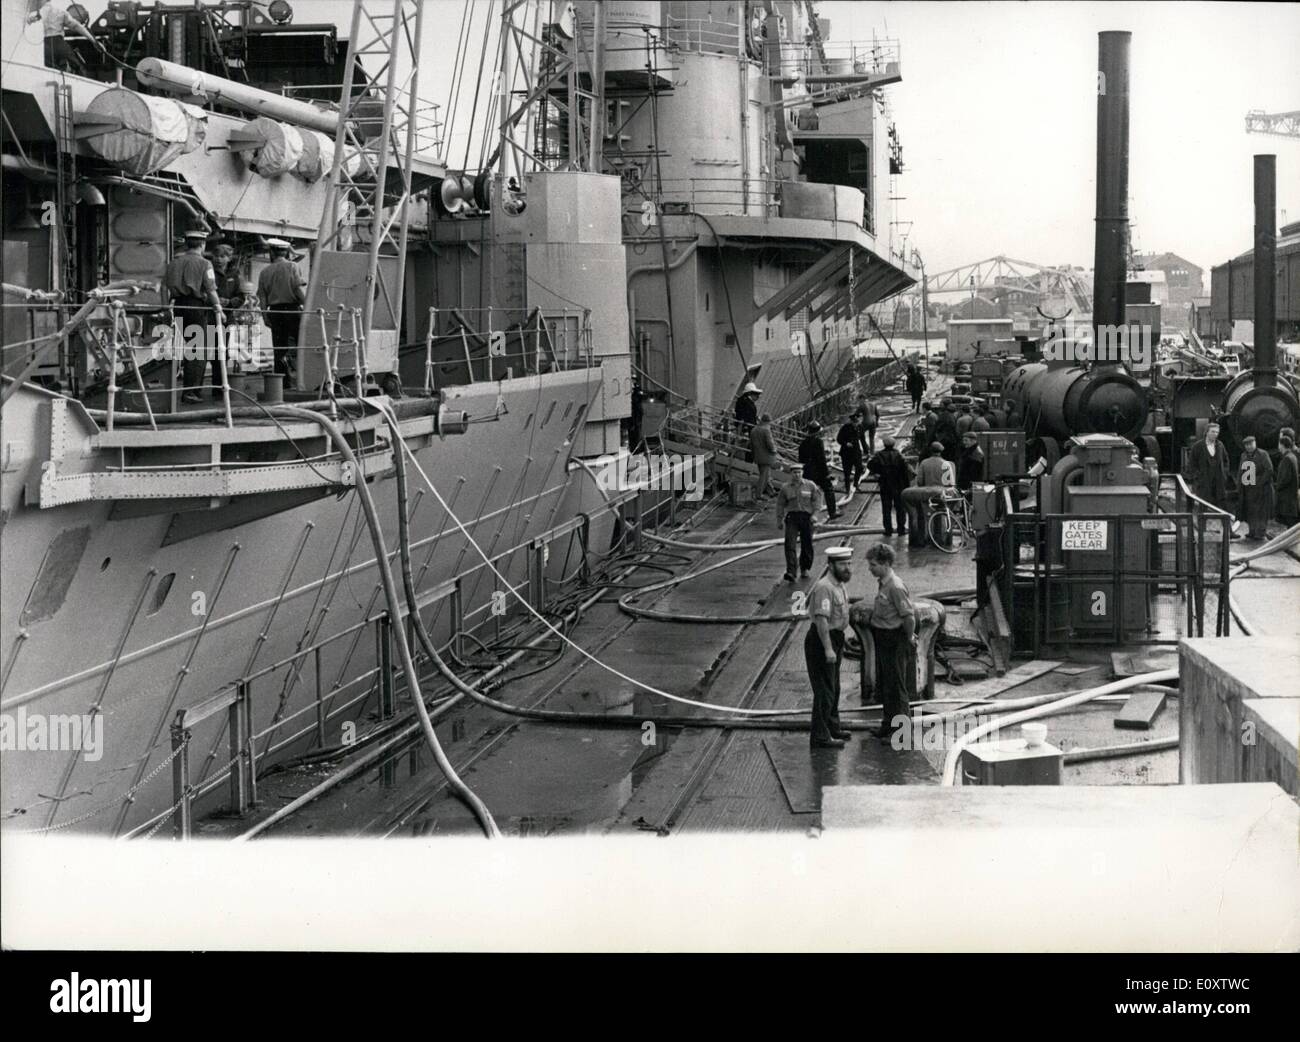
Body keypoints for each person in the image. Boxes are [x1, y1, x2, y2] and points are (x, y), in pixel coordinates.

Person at [864, 542, 917, 744]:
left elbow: (909, 617)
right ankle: (888, 725)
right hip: (883, 638)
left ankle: (902, 734)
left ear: (886, 564)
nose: (870, 568)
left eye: (874, 564)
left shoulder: (895, 587)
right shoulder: (883, 582)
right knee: (886, 686)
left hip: (894, 640)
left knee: (897, 687)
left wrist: (909, 638)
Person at [164, 228, 224, 404]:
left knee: (191, 348)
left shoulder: (173, 263)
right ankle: (190, 392)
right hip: (196, 306)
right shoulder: (205, 264)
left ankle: (189, 390)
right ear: (203, 244)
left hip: (178, 306)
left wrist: (166, 310)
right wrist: (218, 308)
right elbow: (211, 289)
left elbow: (164, 288)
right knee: (199, 351)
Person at [805, 546, 854, 748]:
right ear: (830, 565)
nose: (847, 568)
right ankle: (820, 735)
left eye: (849, 564)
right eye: (842, 564)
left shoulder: (839, 585)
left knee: (834, 686)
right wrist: (828, 648)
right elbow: (822, 621)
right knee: (824, 690)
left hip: (836, 637)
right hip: (822, 639)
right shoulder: (824, 587)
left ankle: (833, 727)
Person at [257, 237, 306, 381]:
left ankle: (282, 383)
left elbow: (263, 297)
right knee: (299, 346)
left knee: (279, 348)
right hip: (292, 310)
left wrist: (265, 317)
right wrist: (309, 307)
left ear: (271, 252)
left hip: (275, 312)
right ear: (285, 252)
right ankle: (301, 379)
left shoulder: (264, 272)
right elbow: (298, 289)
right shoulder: (293, 266)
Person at [776, 469, 824, 581]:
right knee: (790, 544)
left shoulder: (810, 485)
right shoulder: (785, 488)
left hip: (807, 518)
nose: (797, 475)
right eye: (794, 472)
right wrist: (779, 520)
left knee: (806, 543)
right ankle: (791, 571)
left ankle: (805, 568)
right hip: (792, 517)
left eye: (799, 472)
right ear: (790, 474)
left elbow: (817, 500)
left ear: (802, 473)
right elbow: (780, 504)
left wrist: (815, 514)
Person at [29, 0, 101, 73]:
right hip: (59, 43)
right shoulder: (60, 11)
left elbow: (29, 24)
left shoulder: (35, 13)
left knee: (49, 70)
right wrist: (94, 41)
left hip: (44, 46)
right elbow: (76, 26)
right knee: (77, 67)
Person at [868, 434, 912, 537]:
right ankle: (901, 529)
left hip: (885, 485)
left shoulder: (879, 455)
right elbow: (905, 472)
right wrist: (907, 486)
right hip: (898, 485)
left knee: (886, 509)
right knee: (900, 508)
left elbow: (870, 465)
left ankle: (888, 530)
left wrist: (877, 473)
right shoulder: (899, 456)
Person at [1236, 434, 1274, 540]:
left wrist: (1260, 482)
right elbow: (1240, 471)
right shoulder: (1243, 455)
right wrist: (1239, 485)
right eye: (1246, 445)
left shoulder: (1263, 454)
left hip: (1261, 489)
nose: (1249, 446)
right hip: (1248, 488)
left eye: (1250, 444)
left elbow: (1269, 470)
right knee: (1250, 510)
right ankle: (1252, 531)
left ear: (1255, 443)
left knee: (1261, 511)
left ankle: (1260, 532)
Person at [798, 420, 838, 520]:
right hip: (818, 472)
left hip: (807, 472)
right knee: (828, 489)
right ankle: (832, 512)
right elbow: (821, 460)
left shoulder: (802, 444)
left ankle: (807, 515)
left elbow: (801, 460)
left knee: (808, 494)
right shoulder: (818, 442)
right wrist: (826, 474)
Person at [1186, 422, 1230, 511]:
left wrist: (1224, 474)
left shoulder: (1220, 445)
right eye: (1213, 432)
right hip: (1204, 482)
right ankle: (1202, 524)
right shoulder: (1197, 446)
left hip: (1219, 481)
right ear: (1206, 432)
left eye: (1217, 432)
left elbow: (1226, 460)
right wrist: (1198, 477)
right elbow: (1191, 464)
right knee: (1203, 506)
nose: (1215, 434)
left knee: (1223, 506)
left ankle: (1226, 524)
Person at [750, 412, 779, 497]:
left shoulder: (754, 429)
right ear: (768, 421)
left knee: (766, 474)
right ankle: (758, 494)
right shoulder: (766, 430)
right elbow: (770, 443)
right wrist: (774, 450)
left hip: (758, 456)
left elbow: (751, 444)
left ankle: (771, 491)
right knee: (764, 476)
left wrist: (754, 454)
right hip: (767, 456)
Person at [836, 413, 864, 494]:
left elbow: (862, 439)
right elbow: (839, 439)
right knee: (847, 471)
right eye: (854, 422)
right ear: (851, 422)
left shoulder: (860, 427)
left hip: (856, 451)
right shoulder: (845, 428)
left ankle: (856, 484)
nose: (856, 424)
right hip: (846, 453)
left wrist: (866, 450)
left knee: (859, 468)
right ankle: (847, 488)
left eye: (857, 422)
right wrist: (846, 443)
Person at [1274, 434, 1299, 528]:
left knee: (1290, 523)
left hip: (1286, 498)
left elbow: (1285, 478)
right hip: (1291, 497)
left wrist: (1277, 486)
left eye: (1279, 444)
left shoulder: (1287, 458)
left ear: (1282, 445)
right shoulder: (1292, 456)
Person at [734, 381, 762, 458]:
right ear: (750, 394)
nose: (757, 397)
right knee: (747, 445)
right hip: (747, 428)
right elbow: (743, 417)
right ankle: (746, 460)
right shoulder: (746, 403)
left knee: (748, 445)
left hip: (746, 427)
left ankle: (745, 458)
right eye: (756, 394)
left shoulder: (743, 400)